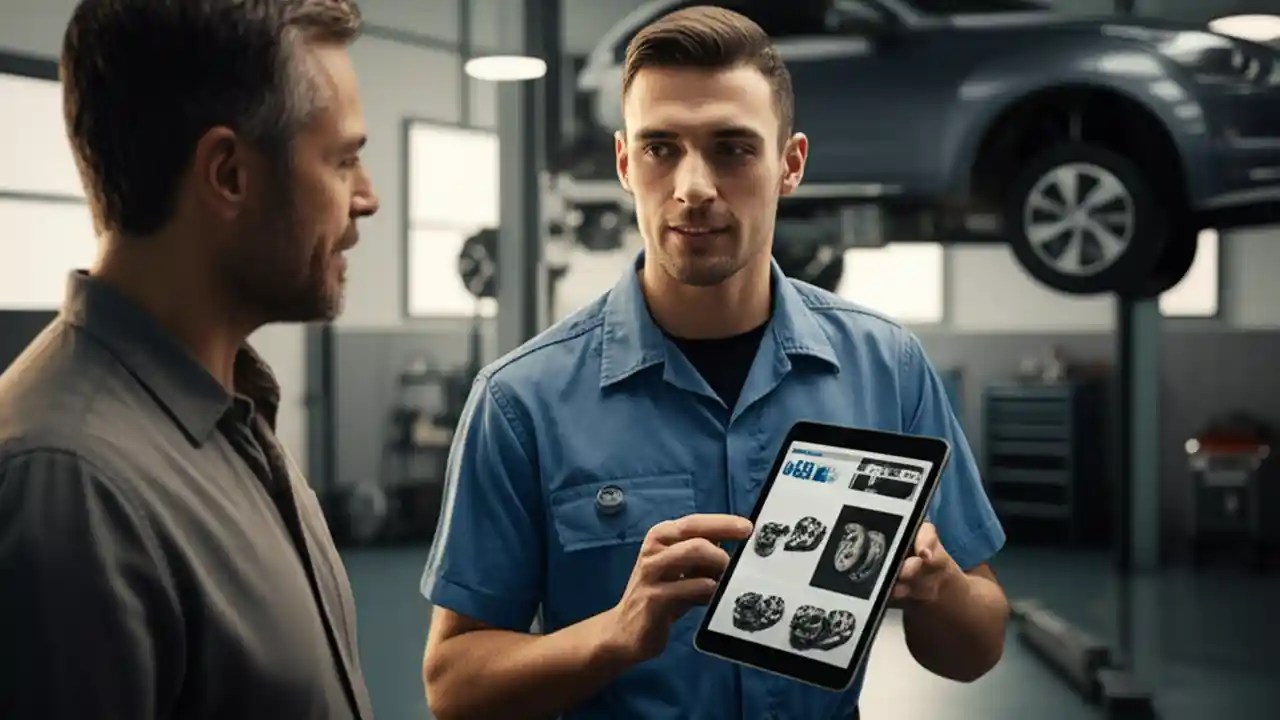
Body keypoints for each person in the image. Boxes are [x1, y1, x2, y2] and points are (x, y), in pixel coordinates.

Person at [419, 5, 1009, 720]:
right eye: (661, 148)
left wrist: (939, 586)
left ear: (790, 164)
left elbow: (976, 648)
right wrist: (615, 635)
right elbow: (453, 685)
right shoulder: (520, 403)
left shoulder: (887, 369)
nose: (693, 187)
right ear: (624, 163)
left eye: (732, 149)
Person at [0, 1, 379, 718]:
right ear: (229, 174)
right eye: (344, 160)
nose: (367, 197)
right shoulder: (69, 487)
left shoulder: (229, 411)